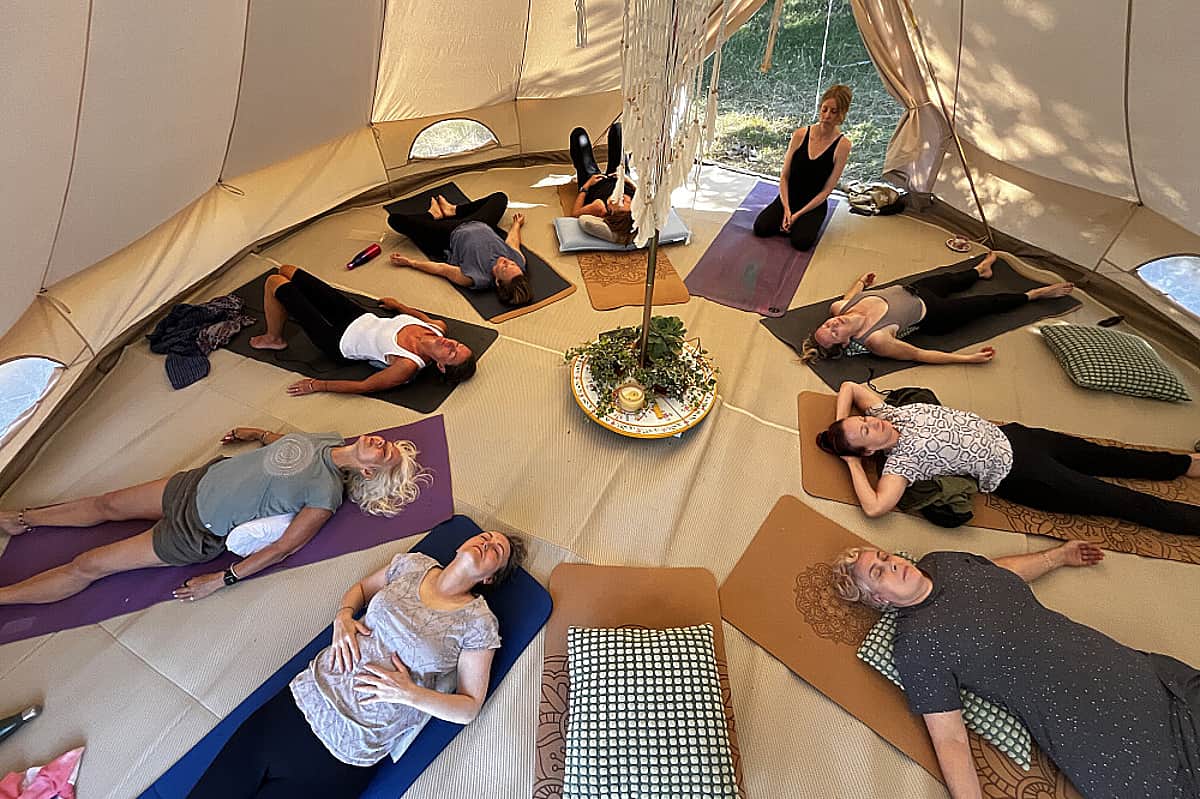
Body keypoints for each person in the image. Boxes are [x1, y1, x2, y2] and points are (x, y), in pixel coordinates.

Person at [831, 542, 1199, 798]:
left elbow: (1000, 572)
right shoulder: (916, 645)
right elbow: (950, 739)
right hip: (1090, 727)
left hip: (1126, 670)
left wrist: (1057, 557)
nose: (893, 564)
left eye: (885, 556)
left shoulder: (942, 561)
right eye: (879, 572)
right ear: (879, 599)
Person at [187, 530, 527, 798]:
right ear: (460, 546)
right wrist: (344, 616)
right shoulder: (413, 565)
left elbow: (469, 707)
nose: (486, 542)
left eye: (495, 551)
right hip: (301, 700)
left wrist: (409, 693)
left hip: (349, 749)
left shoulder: (478, 623)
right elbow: (362, 588)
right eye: (484, 536)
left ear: (489, 578)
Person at [0, 428, 432, 605]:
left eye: (385, 453)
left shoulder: (326, 494)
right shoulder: (329, 439)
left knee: (89, 564)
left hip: (194, 532)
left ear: (368, 472)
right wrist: (255, 434)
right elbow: (287, 445)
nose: (381, 443)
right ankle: (21, 519)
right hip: (195, 483)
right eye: (387, 442)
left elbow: (282, 548)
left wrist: (221, 580)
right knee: (106, 504)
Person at [817, 380, 1200, 535]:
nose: (871, 423)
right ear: (869, 451)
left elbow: (849, 386)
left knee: (1107, 456)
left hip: (1019, 437)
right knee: (1116, 499)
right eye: (865, 432)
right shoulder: (902, 463)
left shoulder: (890, 413)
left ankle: (1182, 465)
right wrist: (852, 462)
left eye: (863, 421)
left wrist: (841, 428)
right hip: (1021, 475)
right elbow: (876, 508)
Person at [801, 252, 1075, 364]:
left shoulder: (840, 308)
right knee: (985, 304)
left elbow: (851, 294)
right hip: (937, 314)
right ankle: (1034, 295)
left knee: (952, 279)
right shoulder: (877, 340)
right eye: (834, 333)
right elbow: (919, 354)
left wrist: (862, 282)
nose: (833, 325)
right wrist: (966, 359)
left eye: (827, 325)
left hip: (915, 289)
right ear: (846, 342)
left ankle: (980, 271)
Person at [247, 265, 475, 397]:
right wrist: (398, 306)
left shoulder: (406, 365)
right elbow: (418, 315)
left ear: (441, 366)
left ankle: (274, 338)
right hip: (357, 315)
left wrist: (317, 385)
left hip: (338, 341)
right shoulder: (438, 328)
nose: (451, 344)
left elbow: (364, 386)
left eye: (452, 353)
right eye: (458, 344)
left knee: (274, 282)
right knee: (287, 270)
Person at [387, 192, 532, 306]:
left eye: (505, 267)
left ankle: (433, 214)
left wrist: (411, 263)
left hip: (449, 233)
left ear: (498, 281)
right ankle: (453, 210)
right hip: (481, 222)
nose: (507, 261)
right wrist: (516, 225)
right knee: (500, 198)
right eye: (512, 263)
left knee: (395, 220)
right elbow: (512, 242)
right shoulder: (519, 262)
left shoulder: (475, 278)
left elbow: (442, 269)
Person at [753, 84, 853, 250]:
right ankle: (787, 220)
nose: (827, 115)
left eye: (833, 111)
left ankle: (793, 223)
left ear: (841, 114)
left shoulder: (843, 146)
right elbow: (784, 176)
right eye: (824, 109)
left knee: (801, 242)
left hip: (814, 204)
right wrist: (786, 209)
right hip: (789, 197)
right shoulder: (800, 135)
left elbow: (827, 190)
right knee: (761, 228)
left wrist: (797, 215)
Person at [569, 123, 637, 246]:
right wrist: (628, 180)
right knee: (618, 129)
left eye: (622, 202)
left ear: (611, 212)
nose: (626, 198)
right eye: (629, 202)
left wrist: (586, 186)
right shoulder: (633, 204)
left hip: (594, 181)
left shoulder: (600, 207)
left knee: (578, 135)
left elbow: (575, 214)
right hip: (620, 177)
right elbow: (640, 193)